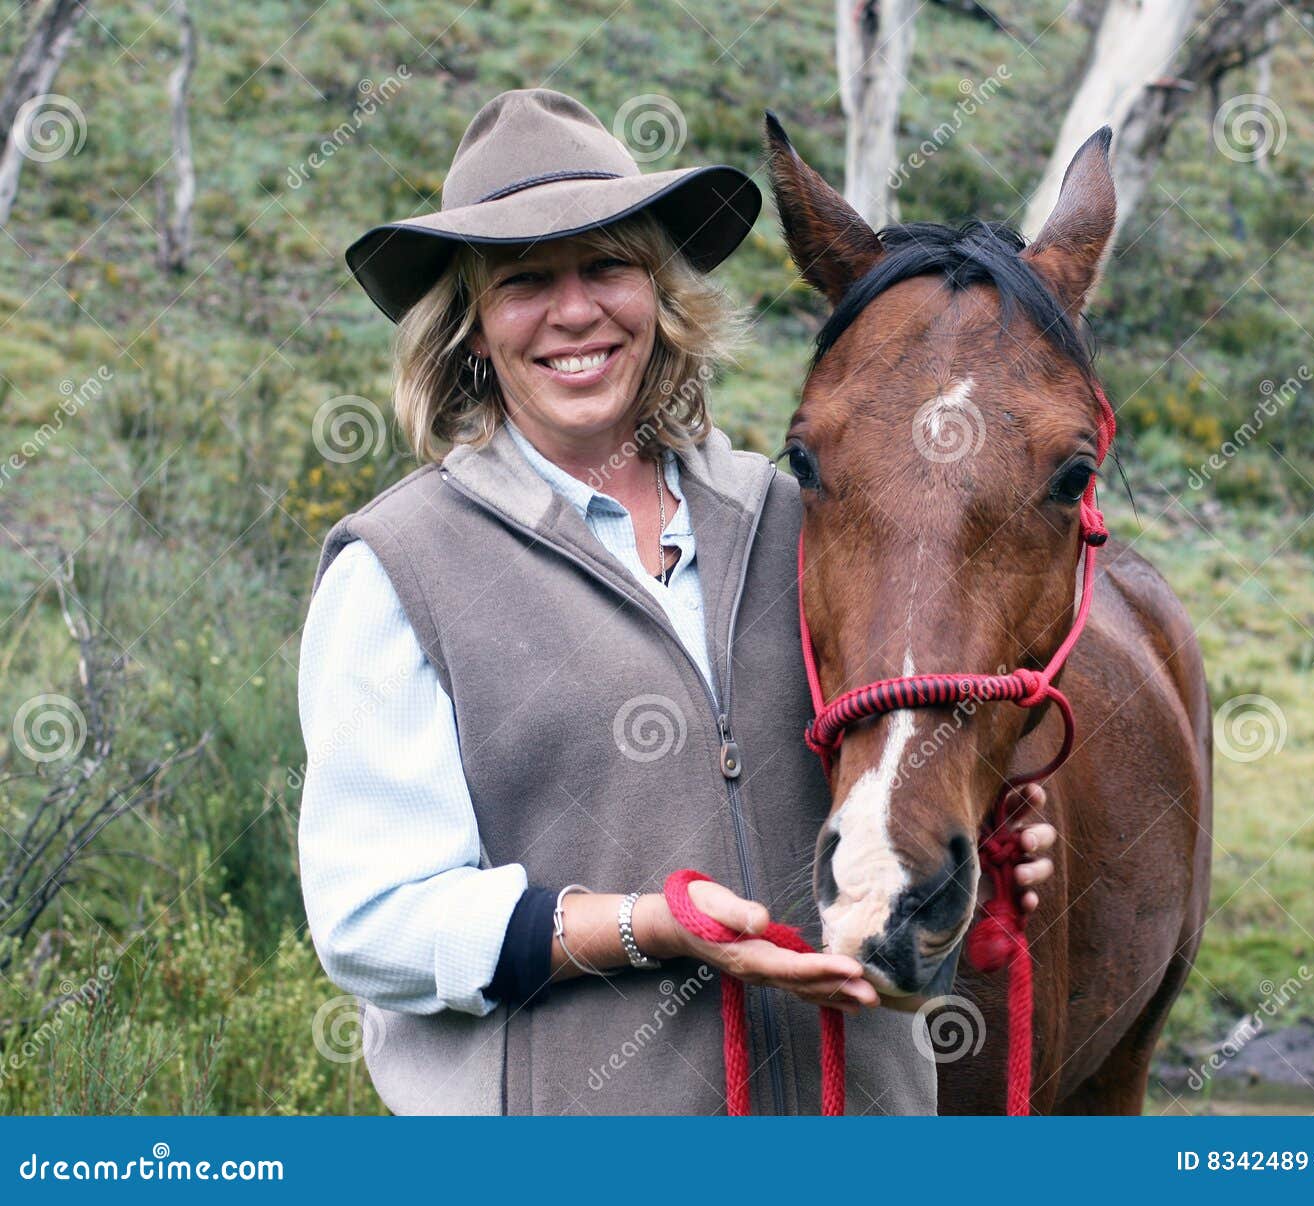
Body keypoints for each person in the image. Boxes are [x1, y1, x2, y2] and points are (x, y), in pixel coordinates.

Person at [297, 88, 1057, 1116]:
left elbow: (898, 746)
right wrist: (644, 927)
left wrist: (984, 835)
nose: (575, 311)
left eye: (608, 266)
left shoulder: (796, 521)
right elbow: (372, 924)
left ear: (658, 295)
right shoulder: (400, 569)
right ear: (471, 328)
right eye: (525, 281)